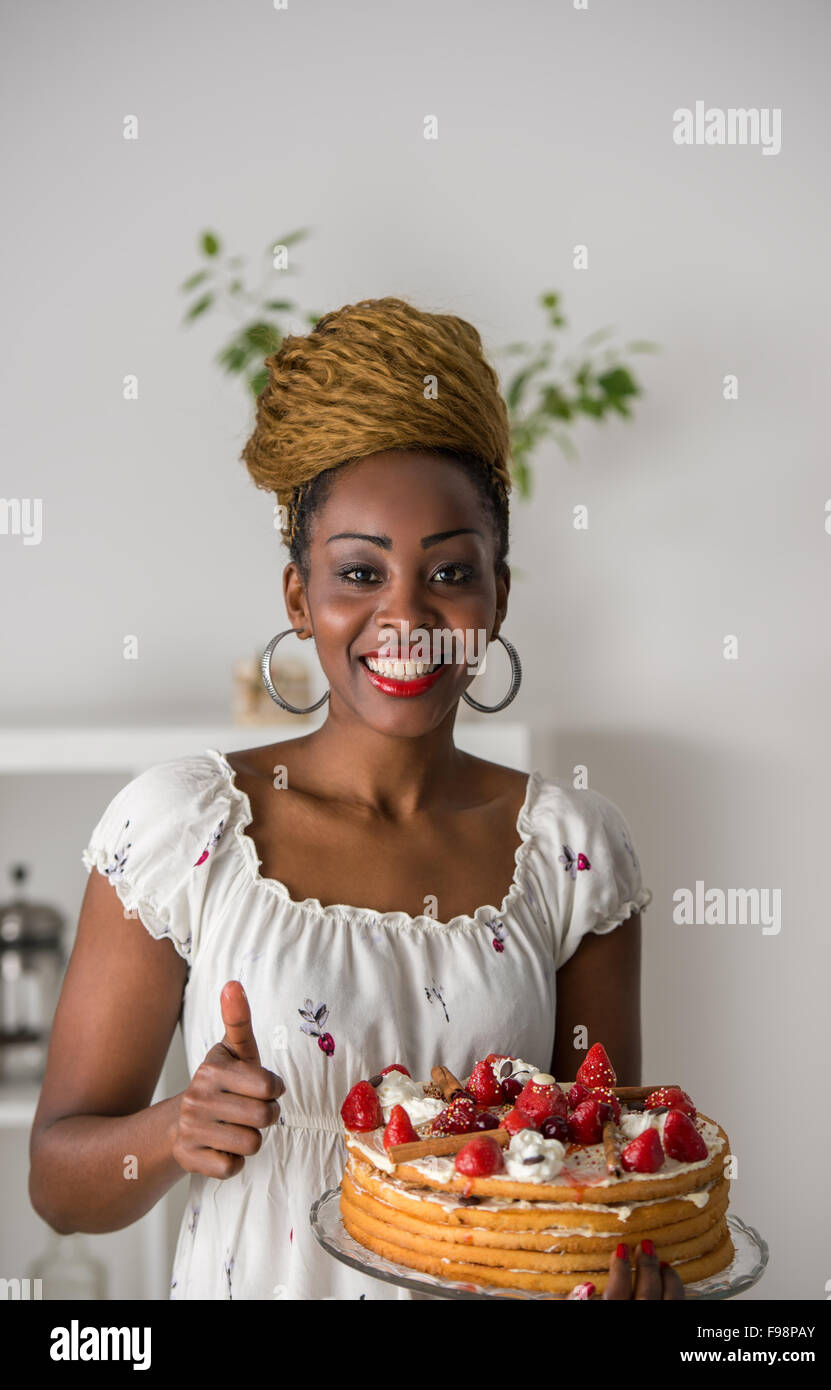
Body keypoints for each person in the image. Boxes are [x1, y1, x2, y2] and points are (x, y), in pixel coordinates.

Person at [29, 296, 661, 1299]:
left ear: (497, 595)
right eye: (358, 571)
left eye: (448, 571)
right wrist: (174, 1128)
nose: (404, 615)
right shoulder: (187, 829)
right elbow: (61, 1184)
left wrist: (632, 1277)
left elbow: (606, 1172)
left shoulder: (573, 853)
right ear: (298, 598)